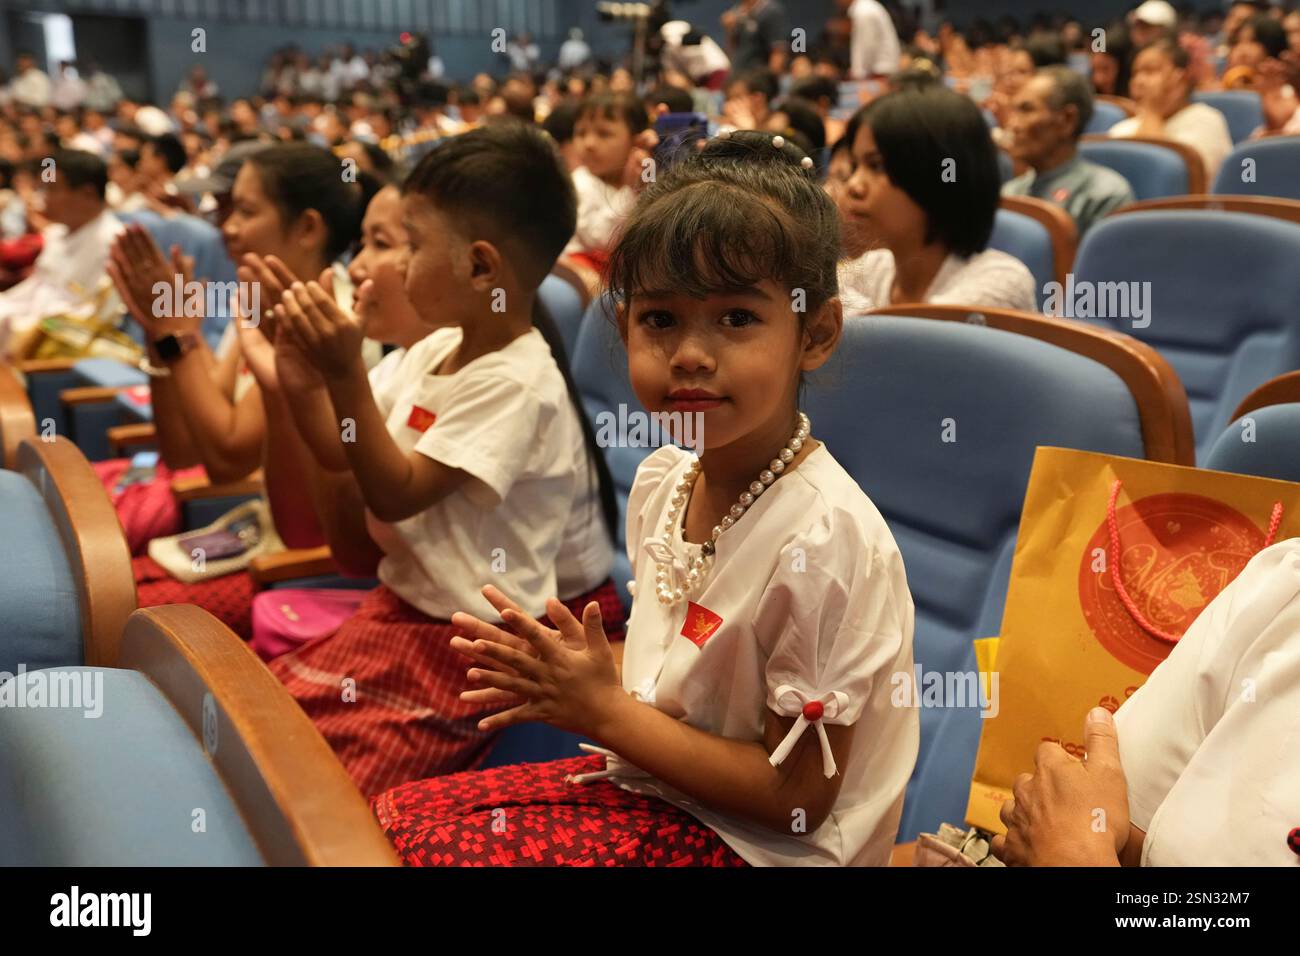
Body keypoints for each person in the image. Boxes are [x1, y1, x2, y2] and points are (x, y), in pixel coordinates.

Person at [370, 131, 918, 868]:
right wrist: (581, 671)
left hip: (760, 848)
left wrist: (603, 710)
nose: (690, 352)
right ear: (624, 327)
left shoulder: (824, 537)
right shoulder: (667, 481)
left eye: (736, 318)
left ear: (814, 334)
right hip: (665, 792)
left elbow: (797, 801)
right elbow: (690, 679)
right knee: (395, 818)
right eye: (660, 319)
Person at [261, 124, 622, 796]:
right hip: (412, 609)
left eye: (413, 245)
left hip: (483, 642)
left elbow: (395, 491)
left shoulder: (517, 381)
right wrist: (304, 383)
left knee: (323, 790)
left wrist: (343, 373)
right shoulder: (434, 350)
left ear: (481, 267)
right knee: (266, 723)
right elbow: (344, 449)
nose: (393, 266)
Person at [994, 539, 1300, 866]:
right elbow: (1105, 824)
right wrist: (1080, 845)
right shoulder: (1284, 594)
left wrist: (1070, 857)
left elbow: (1075, 837)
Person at [837, 88, 1037, 314]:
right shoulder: (873, 267)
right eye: (855, 166)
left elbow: (911, 342)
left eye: (877, 166)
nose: (853, 185)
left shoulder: (1002, 282)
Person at [0, 149, 122, 355]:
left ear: (87, 194)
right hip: (32, 322)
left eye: (53, 189)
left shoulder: (114, 243)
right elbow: (39, 287)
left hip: (63, 344)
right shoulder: (58, 232)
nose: (44, 198)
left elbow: (96, 316)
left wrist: (23, 325)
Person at [1003, 67, 1134, 237]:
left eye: (1026, 110)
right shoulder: (1011, 192)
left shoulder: (1105, 196)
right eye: (1014, 111)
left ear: (1067, 119)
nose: (1013, 125)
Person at [1108, 34, 1233, 182]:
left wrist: (1152, 111)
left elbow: (1167, 183)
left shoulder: (1207, 121)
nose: (1139, 81)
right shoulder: (1120, 130)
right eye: (1135, 73)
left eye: (1150, 71)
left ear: (1181, 78)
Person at [562, 92, 652, 274]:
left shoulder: (646, 176)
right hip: (583, 272)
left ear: (636, 142)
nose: (588, 143)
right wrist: (629, 191)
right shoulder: (580, 183)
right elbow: (600, 239)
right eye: (580, 133)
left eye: (604, 134)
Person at [722, 0, 789, 75]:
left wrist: (771, 79)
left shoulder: (770, 11)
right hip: (739, 74)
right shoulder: (736, 12)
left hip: (758, 76)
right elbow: (732, 50)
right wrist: (729, 30)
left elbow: (778, 51)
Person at [849, 0, 902, 80]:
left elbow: (867, 45)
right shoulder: (866, 7)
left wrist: (858, 73)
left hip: (880, 72)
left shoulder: (864, 11)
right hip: (880, 70)